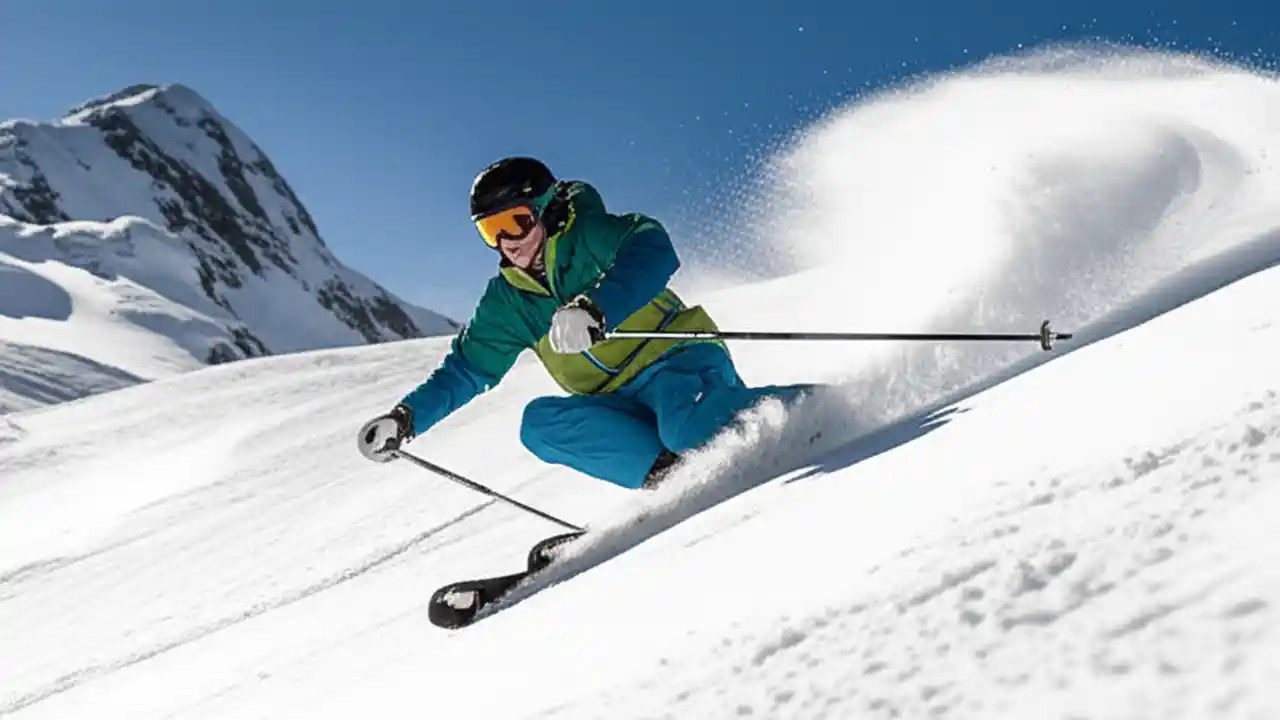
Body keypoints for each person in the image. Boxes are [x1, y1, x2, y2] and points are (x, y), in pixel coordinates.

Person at [357, 157, 799, 489]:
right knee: (540, 425)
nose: (507, 241)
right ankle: (673, 478)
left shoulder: (588, 234)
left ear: (545, 210)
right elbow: (467, 370)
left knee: (686, 428)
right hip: (615, 400)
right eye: (491, 231)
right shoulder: (508, 303)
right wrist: (406, 418)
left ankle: (818, 409)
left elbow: (654, 248)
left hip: (676, 362)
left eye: (517, 221)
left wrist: (596, 307)